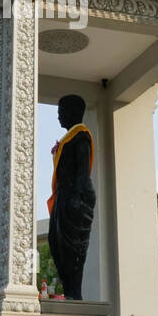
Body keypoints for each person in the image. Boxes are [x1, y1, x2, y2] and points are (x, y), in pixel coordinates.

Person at [46, 95, 95, 301]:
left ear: (73, 112)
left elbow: (82, 172)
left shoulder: (81, 136)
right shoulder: (69, 139)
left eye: (61, 112)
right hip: (63, 197)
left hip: (75, 197)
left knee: (72, 247)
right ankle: (69, 292)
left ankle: (74, 293)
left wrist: (78, 198)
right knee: (56, 243)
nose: (59, 117)